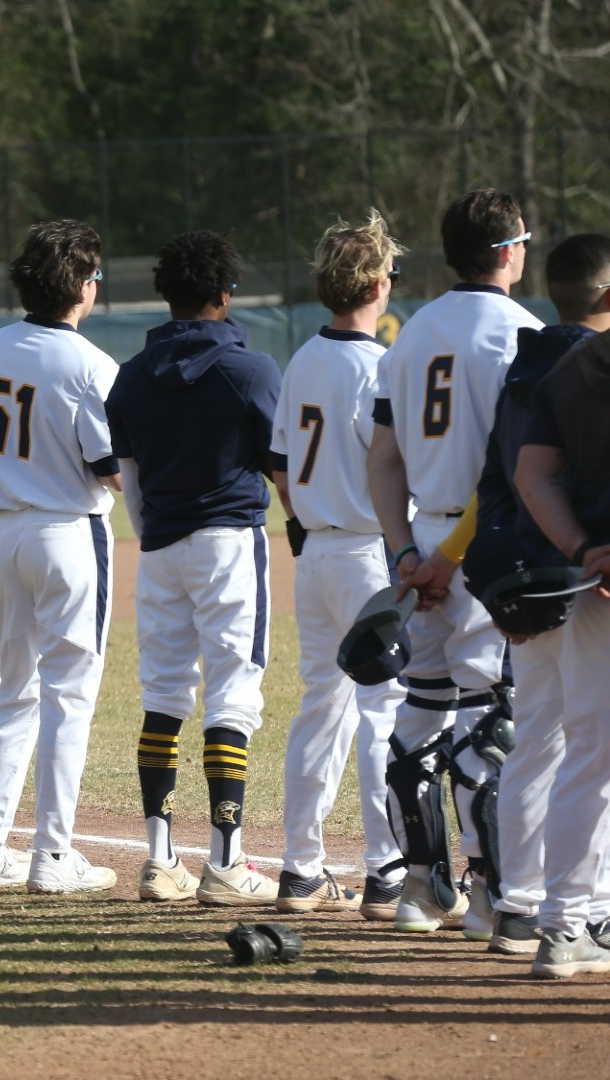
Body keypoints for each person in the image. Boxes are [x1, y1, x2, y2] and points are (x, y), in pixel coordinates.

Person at [368, 188, 541, 937]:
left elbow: (382, 457)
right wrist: (444, 556)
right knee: (488, 719)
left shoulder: (410, 334)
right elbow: (512, 466)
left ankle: (419, 885)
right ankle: (497, 894)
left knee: (420, 714)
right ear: (508, 250)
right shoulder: (522, 333)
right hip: (484, 546)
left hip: (421, 545)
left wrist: (405, 551)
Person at [107, 229, 283, 907]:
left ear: (167, 295)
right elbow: (279, 464)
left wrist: (157, 537)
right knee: (233, 693)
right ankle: (228, 861)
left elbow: (132, 481)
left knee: (163, 694)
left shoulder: (131, 376)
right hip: (230, 541)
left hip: (159, 547)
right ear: (224, 295)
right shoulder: (252, 371)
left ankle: (159, 860)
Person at [0, 221, 120, 894]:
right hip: (65, 530)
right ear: (82, 286)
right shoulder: (89, 364)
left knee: (12, 694)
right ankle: (52, 855)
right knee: (68, 695)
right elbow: (109, 469)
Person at [457, 233, 610, 954]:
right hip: (581, 577)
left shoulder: (530, 368)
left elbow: (505, 478)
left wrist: (499, 576)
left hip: (534, 573)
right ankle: (579, 915)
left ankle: (517, 903)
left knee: (540, 741)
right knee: (587, 748)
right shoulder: (582, 369)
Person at [268, 214, 408, 918]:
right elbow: (395, 466)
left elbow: (282, 465)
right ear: (379, 283)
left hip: (317, 547)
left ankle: (300, 868)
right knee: (382, 708)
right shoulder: (375, 365)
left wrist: (304, 521)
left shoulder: (302, 359)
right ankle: (386, 872)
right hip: (363, 551)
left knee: (322, 706)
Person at [515, 300, 610, 979]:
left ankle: (561, 927)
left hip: (594, 581)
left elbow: (531, 474)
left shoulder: (579, 367)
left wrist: (583, 547)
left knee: (586, 756)